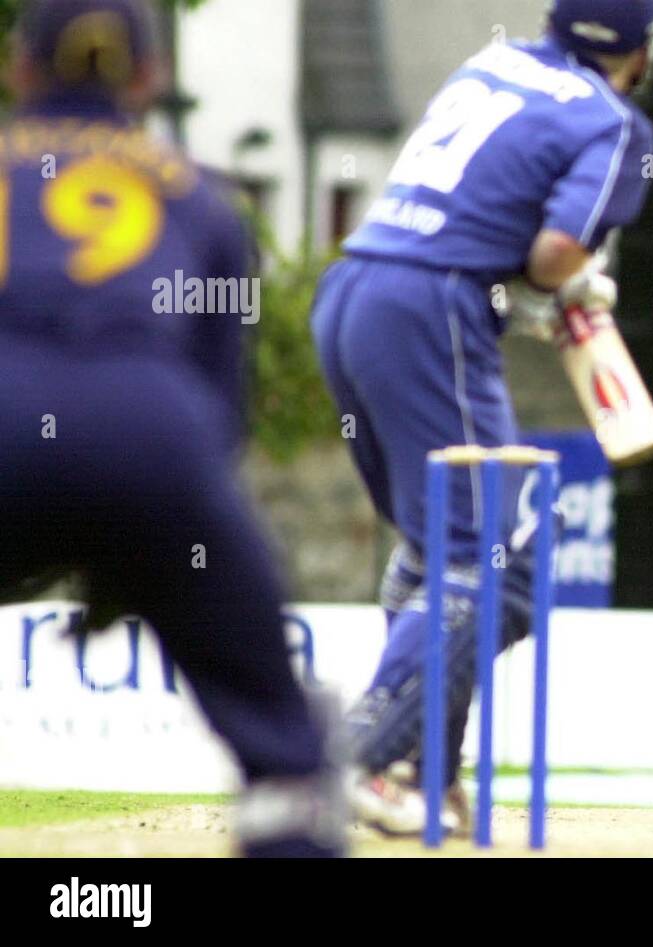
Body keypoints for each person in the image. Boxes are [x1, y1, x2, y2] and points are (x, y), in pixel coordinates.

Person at [311, 0, 653, 835]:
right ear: (640, 49)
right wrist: (561, 289)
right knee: (505, 569)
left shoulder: (491, 65)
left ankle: (420, 771)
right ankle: (352, 757)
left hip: (352, 289)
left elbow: (483, 210)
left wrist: (538, 292)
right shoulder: (616, 124)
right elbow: (553, 252)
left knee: (441, 553)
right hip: (430, 306)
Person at [0, 0, 342, 856]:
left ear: (19, 67)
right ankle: (288, 796)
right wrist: (143, 541)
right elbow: (221, 410)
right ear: (150, 78)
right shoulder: (202, 198)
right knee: (285, 749)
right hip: (151, 432)